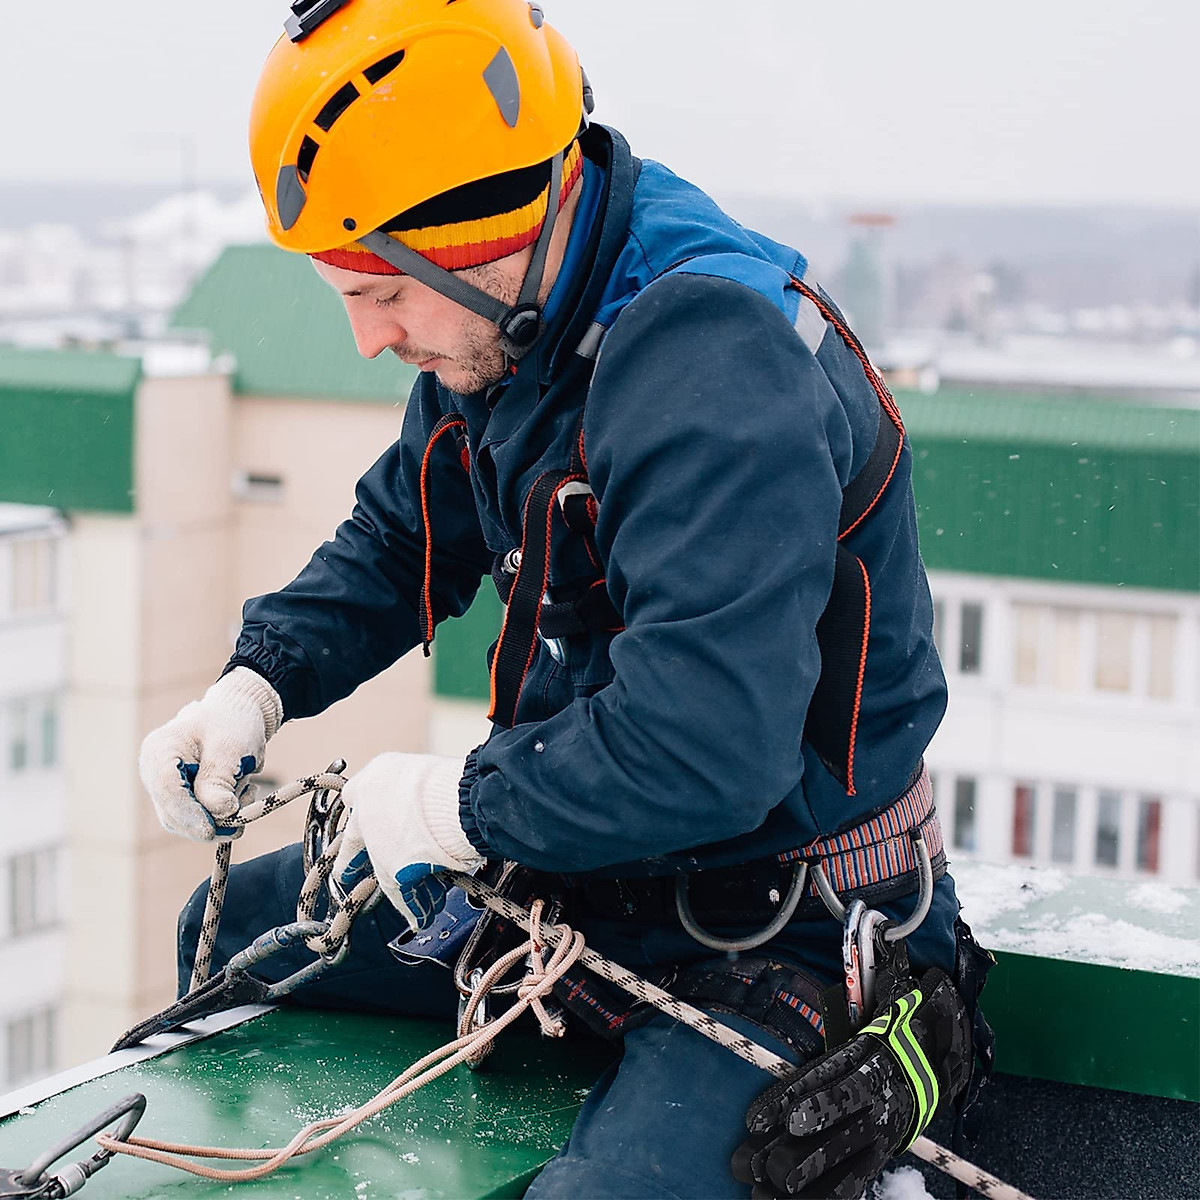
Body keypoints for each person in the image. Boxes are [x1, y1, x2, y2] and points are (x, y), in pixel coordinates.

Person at [139, 2, 986, 1196]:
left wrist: (459, 807)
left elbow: (704, 749)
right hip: (587, 871)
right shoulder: (516, 326)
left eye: (380, 294)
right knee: (231, 939)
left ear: (475, 239)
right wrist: (258, 681)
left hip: (772, 919)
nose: (368, 340)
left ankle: (906, 1038)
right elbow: (407, 532)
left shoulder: (712, 367)